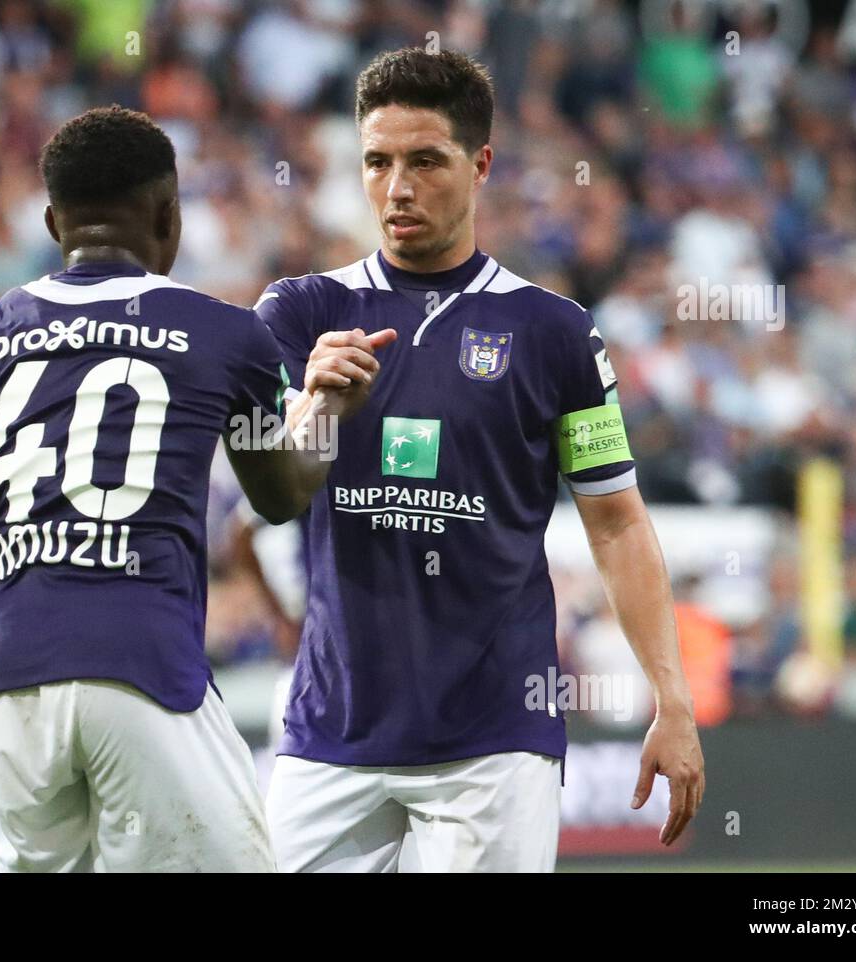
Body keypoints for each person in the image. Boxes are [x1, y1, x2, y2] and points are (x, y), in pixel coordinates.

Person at [0, 106, 388, 872]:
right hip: (144, 672)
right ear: (169, 214)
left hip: (5, 688)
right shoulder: (224, 334)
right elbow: (280, 496)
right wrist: (331, 406)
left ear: (51, 220)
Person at [255, 48, 705, 872]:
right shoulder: (300, 313)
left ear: (481, 163)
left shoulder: (557, 335)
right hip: (330, 727)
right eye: (378, 162)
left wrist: (672, 700)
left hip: (493, 736)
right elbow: (276, 490)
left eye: (426, 161)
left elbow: (616, 524)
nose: (398, 188)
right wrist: (317, 404)